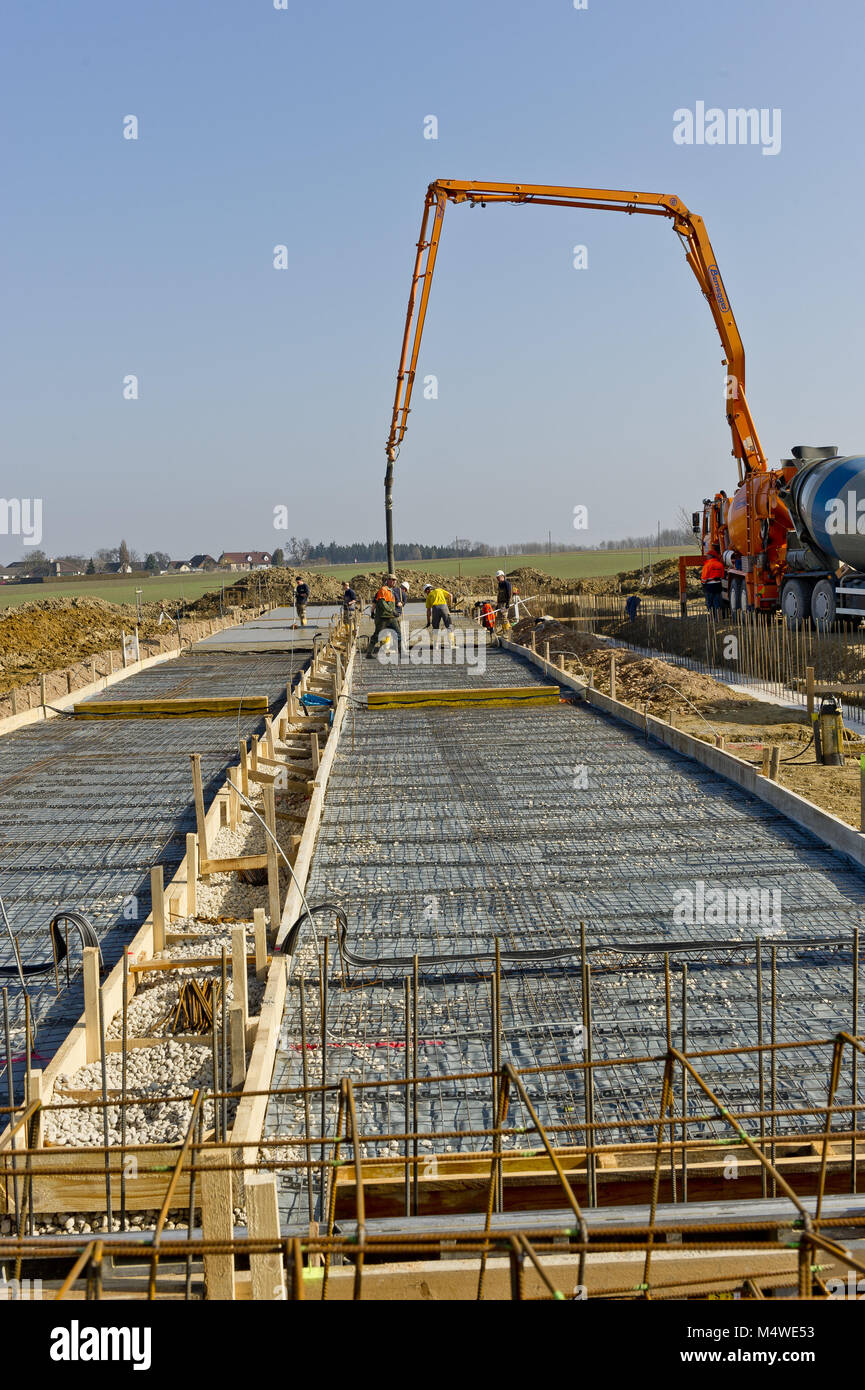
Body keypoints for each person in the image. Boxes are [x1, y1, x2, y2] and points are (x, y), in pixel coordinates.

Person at [367, 581, 402, 658]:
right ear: (388, 581)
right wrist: (393, 611)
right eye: (392, 580)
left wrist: (372, 612)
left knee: (398, 634)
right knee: (378, 635)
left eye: (395, 580)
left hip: (391, 617)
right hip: (383, 618)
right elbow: (382, 603)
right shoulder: (383, 590)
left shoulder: (392, 591)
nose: (394, 582)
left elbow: (374, 604)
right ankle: (369, 653)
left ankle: (402, 653)